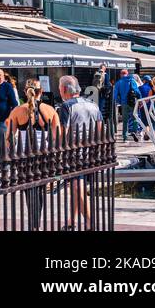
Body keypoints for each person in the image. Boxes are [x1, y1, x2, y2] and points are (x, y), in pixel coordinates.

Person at [6, 79, 60, 228]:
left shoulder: (17, 110)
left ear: (25, 92)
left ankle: (33, 223)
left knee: (29, 190)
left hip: (24, 156)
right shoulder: (50, 110)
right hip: (44, 156)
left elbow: (9, 138)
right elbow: (58, 138)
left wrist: (9, 156)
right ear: (41, 92)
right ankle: (36, 223)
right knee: (41, 189)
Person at [57, 75, 102, 229]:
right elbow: (100, 130)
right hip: (90, 153)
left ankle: (90, 223)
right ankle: (71, 221)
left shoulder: (66, 106)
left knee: (77, 187)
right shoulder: (93, 105)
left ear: (63, 89)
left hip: (74, 154)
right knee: (76, 186)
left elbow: (63, 133)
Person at [112, 68, 141, 142]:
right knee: (135, 118)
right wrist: (140, 100)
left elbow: (115, 95)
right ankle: (134, 131)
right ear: (127, 74)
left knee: (125, 121)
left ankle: (125, 137)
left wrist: (118, 101)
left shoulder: (119, 82)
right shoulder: (132, 81)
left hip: (124, 103)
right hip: (133, 103)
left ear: (121, 74)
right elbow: (137, 91)